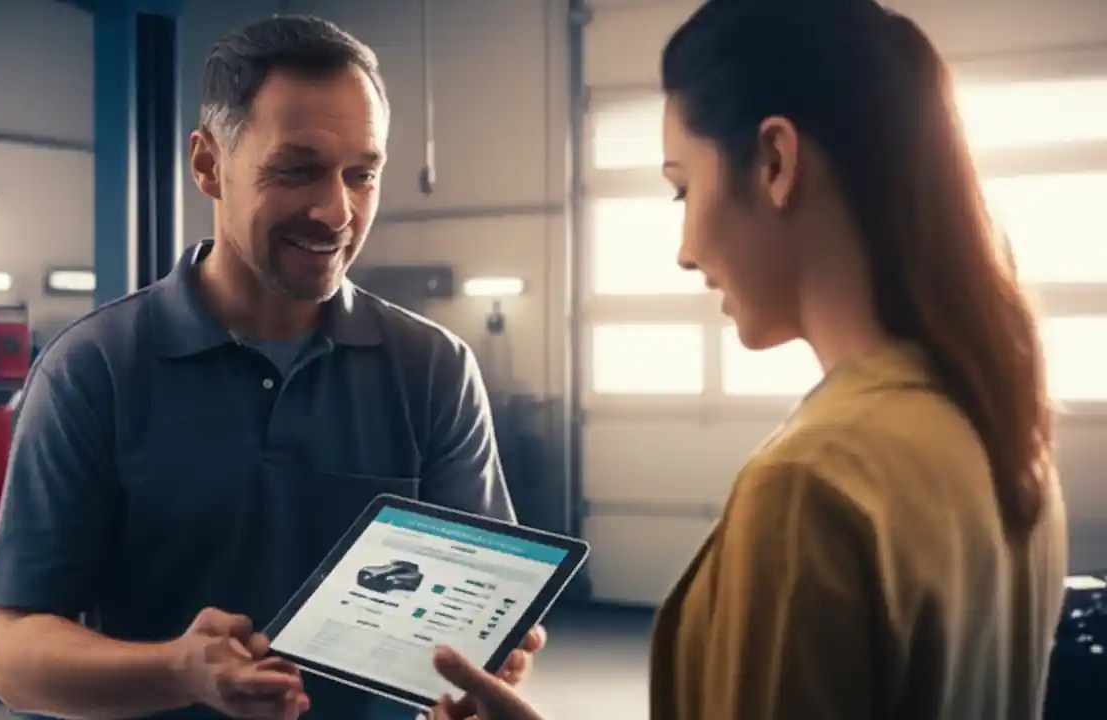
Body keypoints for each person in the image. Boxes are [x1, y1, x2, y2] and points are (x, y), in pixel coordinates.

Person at [428, 1, 1069, 718]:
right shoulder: (999, 429)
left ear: (775, 161)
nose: (683, 250)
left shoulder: (812, 485)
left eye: (682, 187)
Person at [0, 15, 542, 720]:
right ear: (209, 165)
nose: (336, 210)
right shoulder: (93, 371)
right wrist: (179, 671)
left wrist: (485, 653)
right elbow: (14, 655)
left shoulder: (433, 369)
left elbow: (477, 605)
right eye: (297, 169)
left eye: (362, 175)